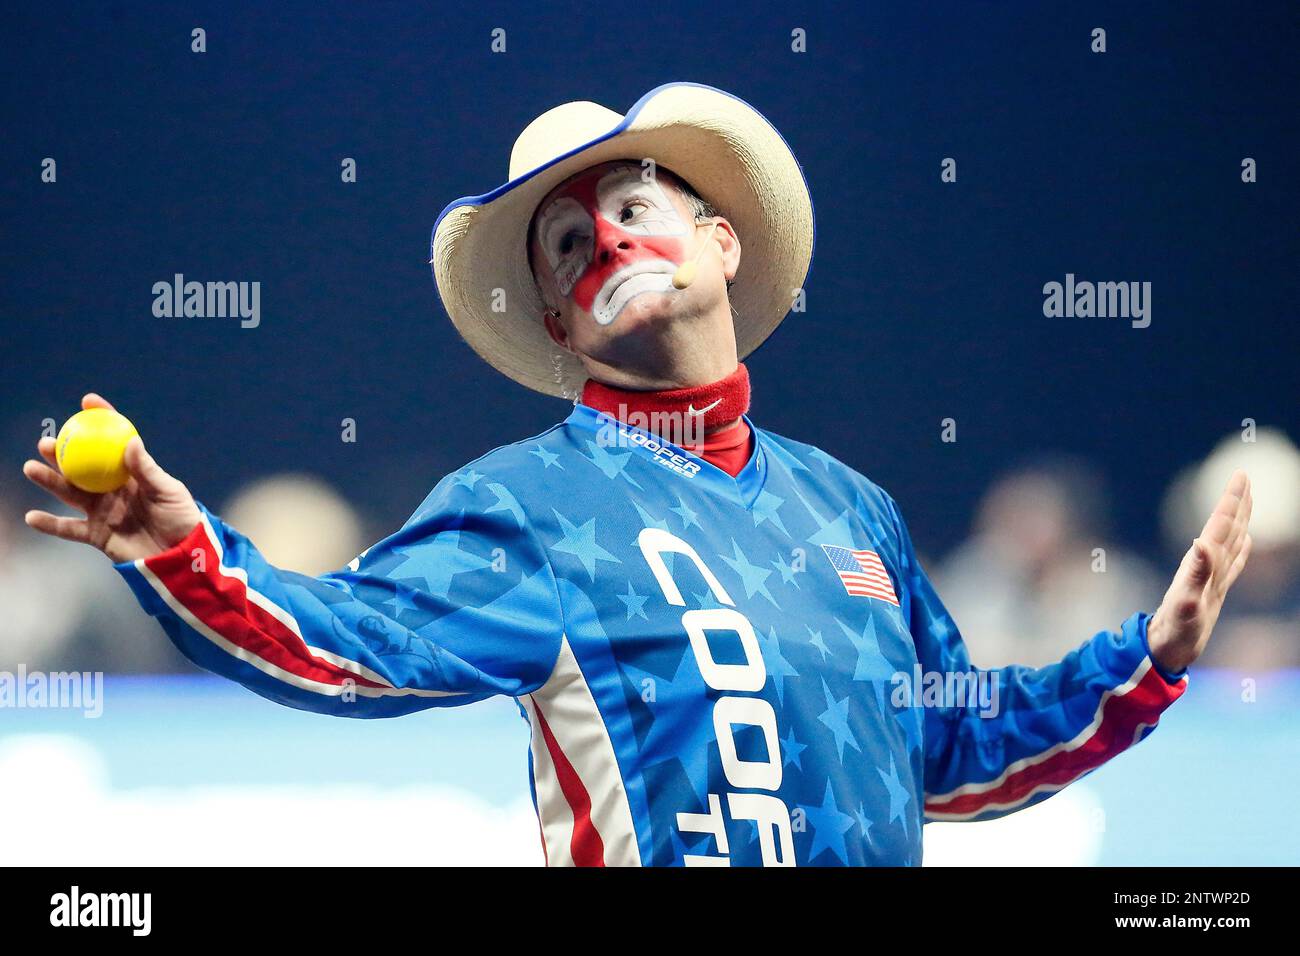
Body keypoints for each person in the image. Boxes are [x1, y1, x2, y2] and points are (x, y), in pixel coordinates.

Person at [22, 82, 1253, 866]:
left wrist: (1147, 657)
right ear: (559, 324)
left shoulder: (852, 510)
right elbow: (340, 643)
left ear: (721, 242)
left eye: (636, 205)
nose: (607, 236)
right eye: (568, 243)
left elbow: (951, 752)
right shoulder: (529, 507)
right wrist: (177, 546)